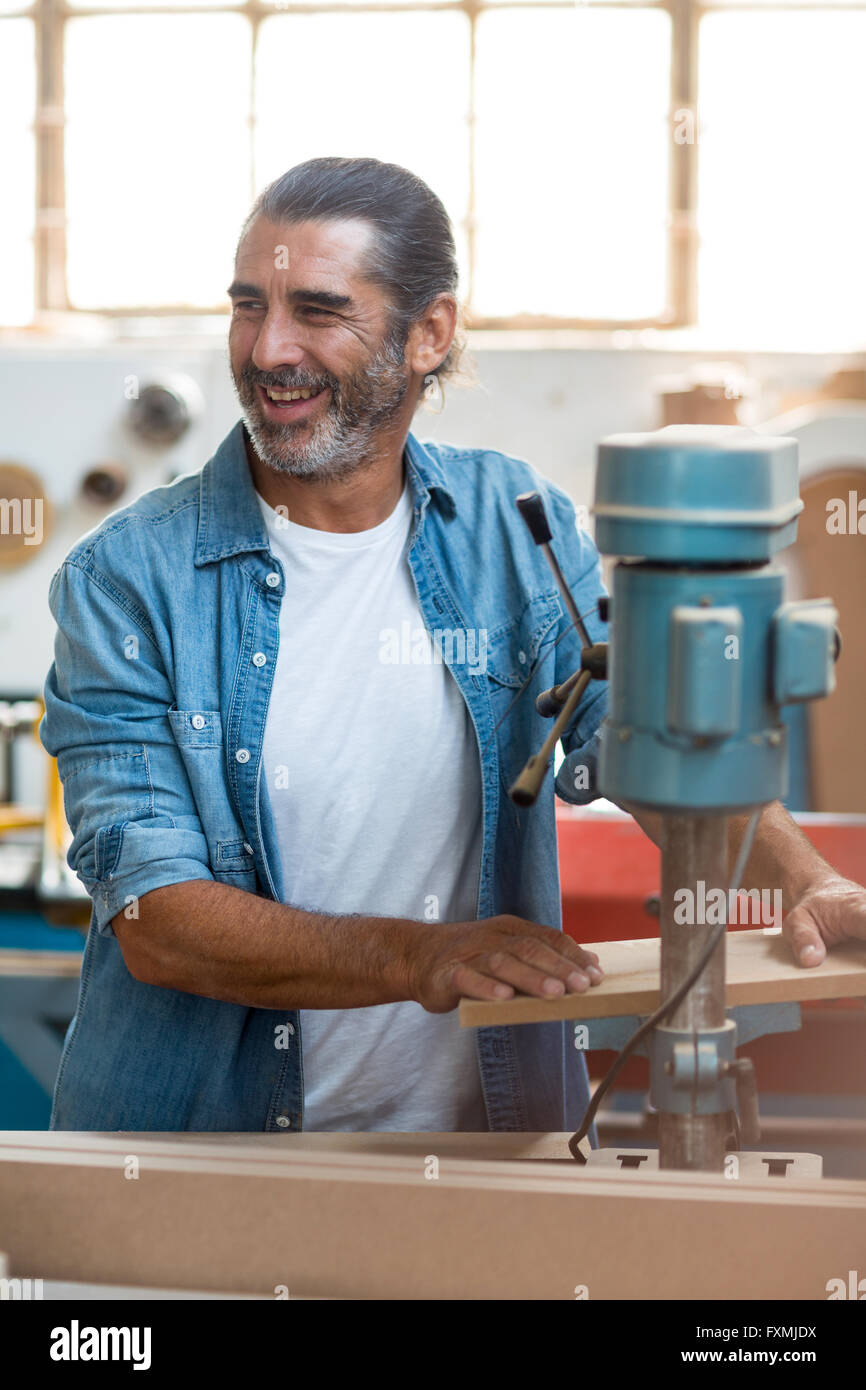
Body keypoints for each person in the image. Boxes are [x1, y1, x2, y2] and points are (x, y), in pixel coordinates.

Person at [40, 157, 866, 1133]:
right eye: (247, 305)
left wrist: (806, 879)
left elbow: (642, 738)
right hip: (202, 1167)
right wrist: (420, 954)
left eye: (317, 309)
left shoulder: (514, 526)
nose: (268, 349)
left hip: (478, 1151)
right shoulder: (125, 578)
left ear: (428, 332)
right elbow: (159, 922)